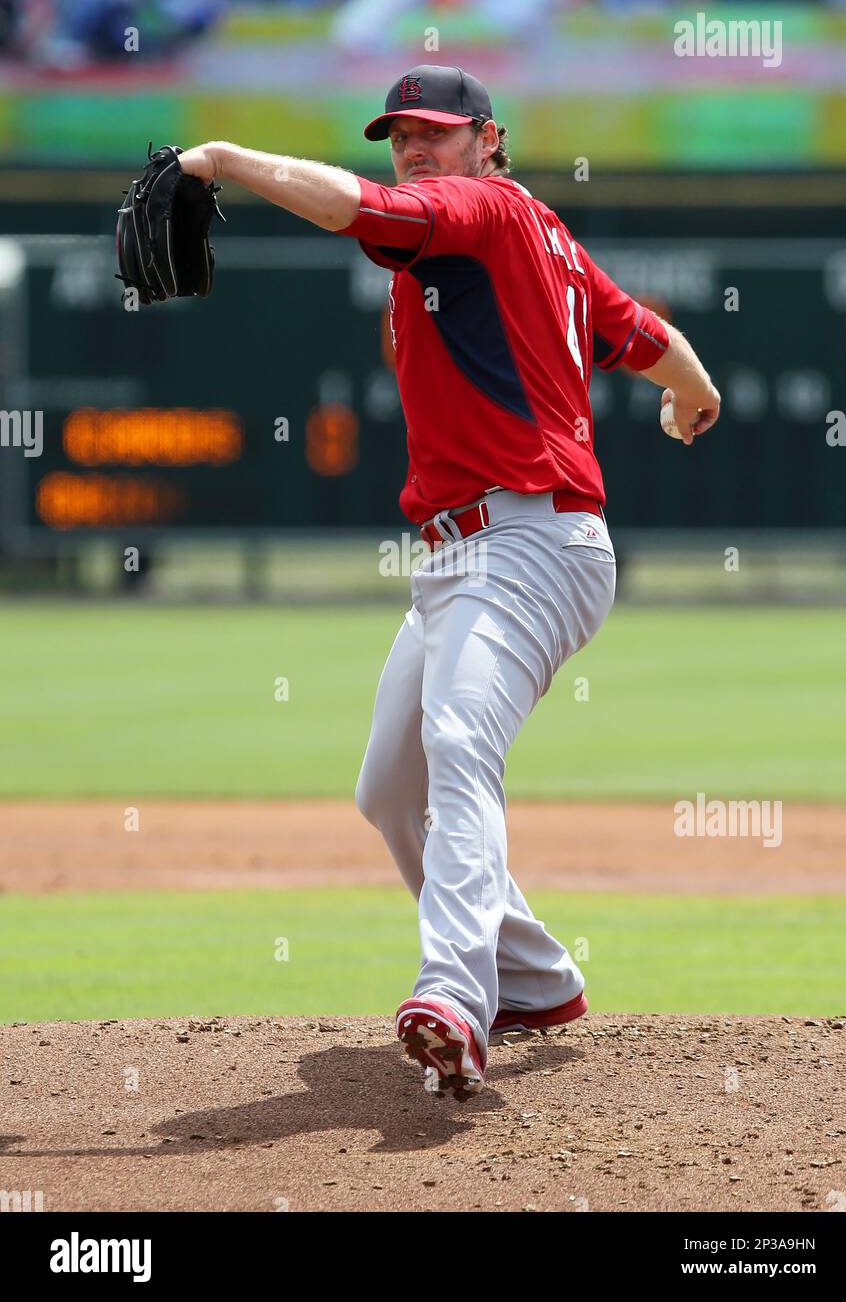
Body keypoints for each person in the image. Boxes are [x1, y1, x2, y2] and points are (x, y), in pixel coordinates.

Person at [178, 64, 720, 1100]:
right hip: (462, 555)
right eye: (400, 135)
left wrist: (223, 160)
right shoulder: (543, 238)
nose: (414, 150)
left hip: (530, 541)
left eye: (434, 131)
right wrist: (692, 397)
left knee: (459, 741)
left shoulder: (477, 208)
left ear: (488, 139)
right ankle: (531, 976)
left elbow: (352, 206)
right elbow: (648, 339)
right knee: (388, 787)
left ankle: (455, 997)